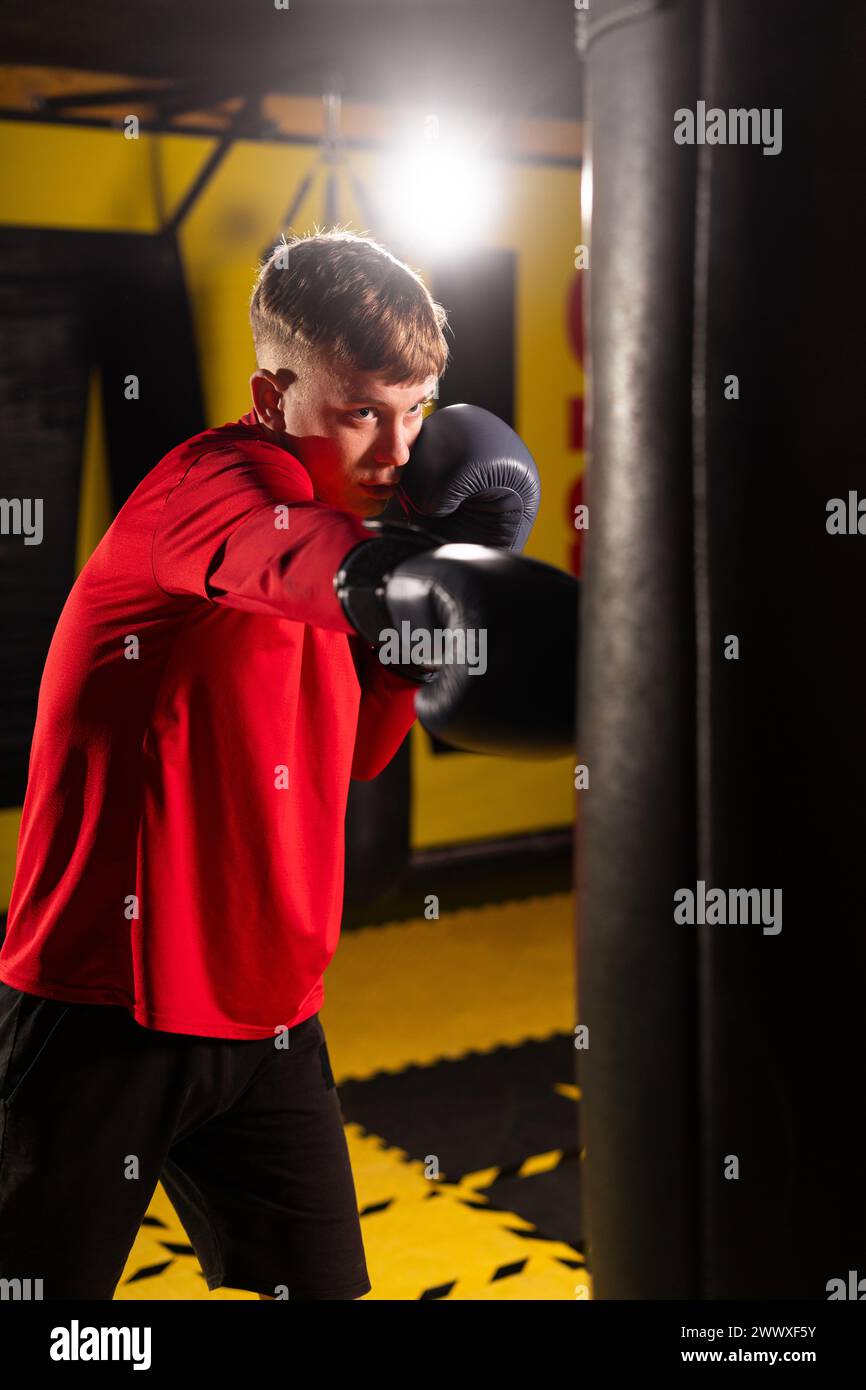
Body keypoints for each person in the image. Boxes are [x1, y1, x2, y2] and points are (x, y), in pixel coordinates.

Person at [0, 228, 451, 1301]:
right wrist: (414, 577)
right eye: (361, 412)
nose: (396, 449)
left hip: (270, 1013)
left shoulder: (359, 529)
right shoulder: (208, 488)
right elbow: (284, 554)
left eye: (418, 409)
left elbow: (351, 756)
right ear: (269, 392)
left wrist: (409, 644)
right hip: (111, 1002)